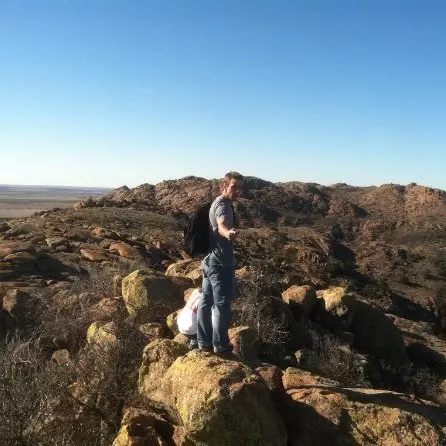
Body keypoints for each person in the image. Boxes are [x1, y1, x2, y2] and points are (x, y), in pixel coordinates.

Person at [197, 171, 243, 354]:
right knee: (222, 305)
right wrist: (227, 233)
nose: (237, 191)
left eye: (239, 187)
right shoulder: (223, 205)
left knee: (206, 302)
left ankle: (203, 341)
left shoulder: (217, 202)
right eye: (234, 187)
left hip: (209, 262)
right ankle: (220, 345)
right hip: (220, 264)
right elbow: (221, 224)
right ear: (224, 186)